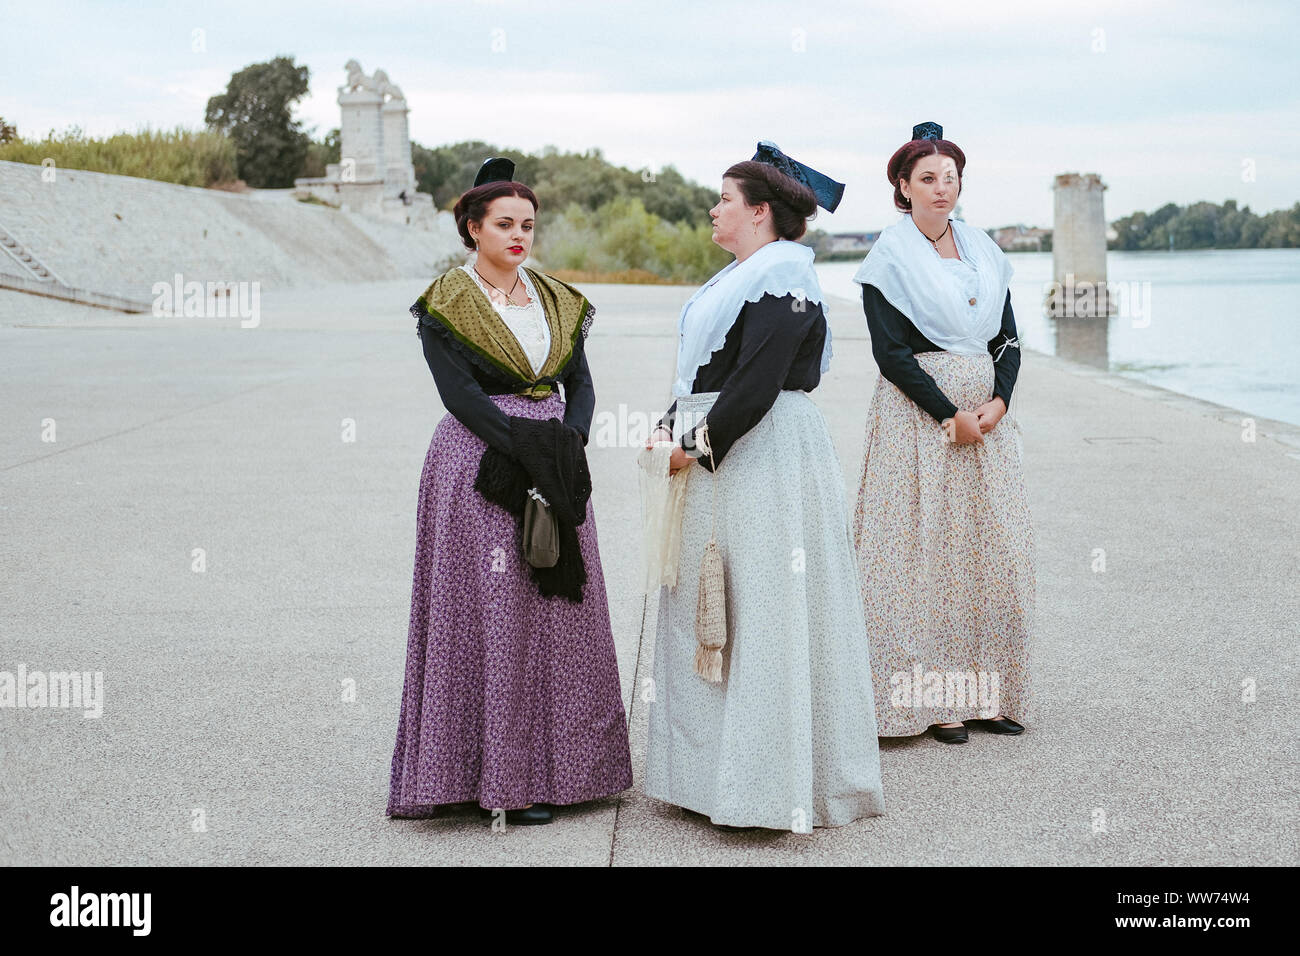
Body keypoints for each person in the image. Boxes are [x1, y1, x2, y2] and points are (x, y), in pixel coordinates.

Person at [642, 142, 886, 831]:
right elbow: (703, 374)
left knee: (764, 604)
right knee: (710, 598)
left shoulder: (785, 278)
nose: (714, 207)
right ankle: (707, 778)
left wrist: (692, 445)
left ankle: (766, 785)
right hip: (722, 449)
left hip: (763, 454)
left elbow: (756, 381)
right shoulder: (739, 277)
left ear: (759, 213)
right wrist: (666, 428)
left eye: (725, 197)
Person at [386, 158, 633, 826]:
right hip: (478, 461)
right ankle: (501, 778)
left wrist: (569, 439)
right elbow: (458, 393)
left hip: (554, 459)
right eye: (505, 224)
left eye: (528, 224)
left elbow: (579, 379)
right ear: (473, 227)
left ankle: (570, 771)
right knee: (492, 611)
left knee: (557, 610)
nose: (519, 234)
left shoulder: (556, 298)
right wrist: (522, 445)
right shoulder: (448, 300)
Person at [851, 122, 1035, 745]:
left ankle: (990, 693)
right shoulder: (890, 258)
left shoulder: (983, 249)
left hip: (985, 423)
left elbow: (1007, 333)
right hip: (919, 422)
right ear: (903, 187)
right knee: (925, 558)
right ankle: (932, 700)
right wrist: (944, 413)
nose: (941, 189)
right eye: (927, 179)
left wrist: (999, 400)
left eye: (949, 178)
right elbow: (891, 352)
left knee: (993, 554)